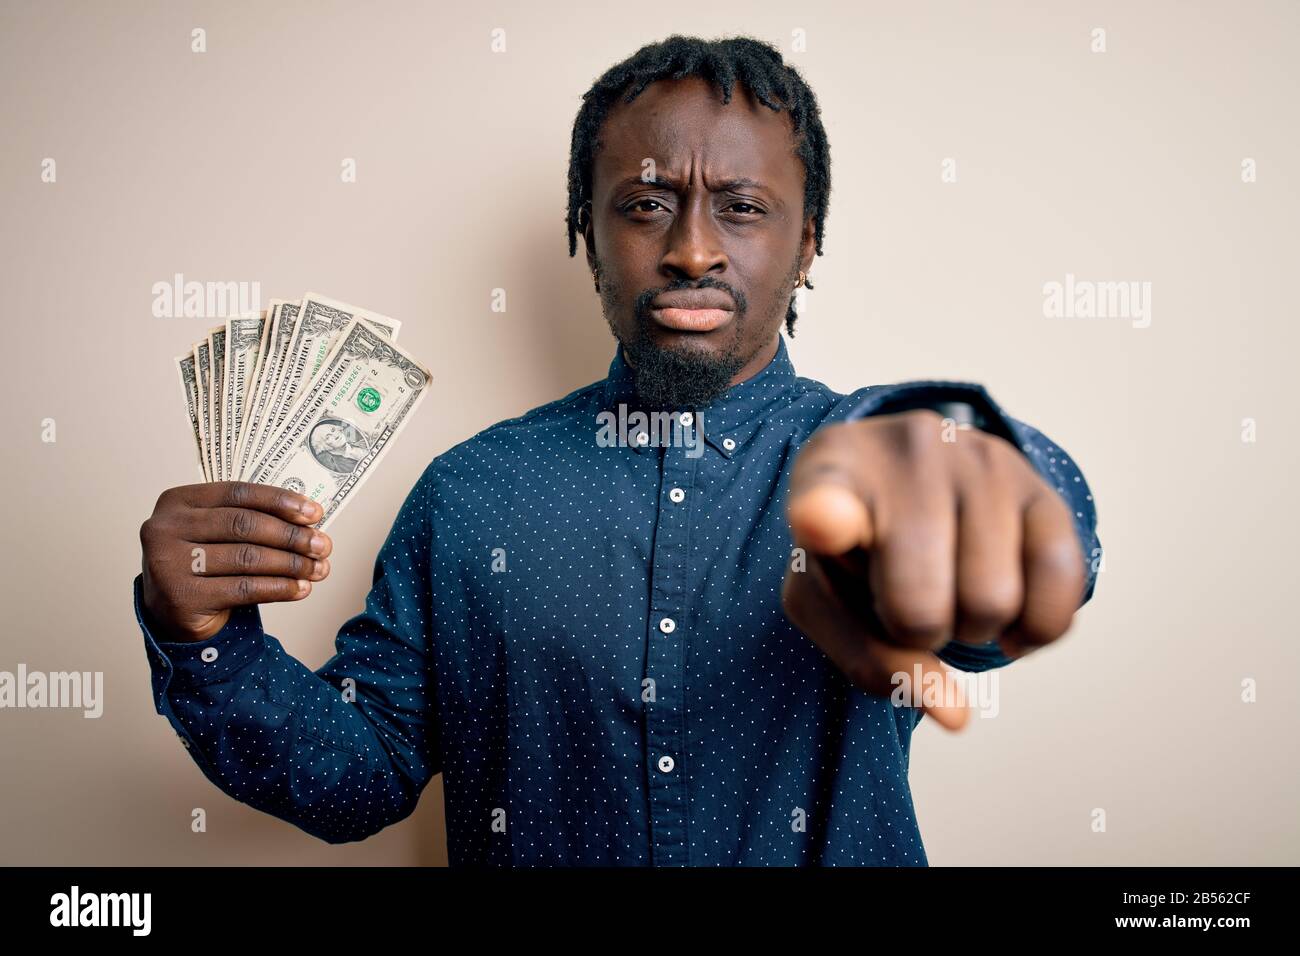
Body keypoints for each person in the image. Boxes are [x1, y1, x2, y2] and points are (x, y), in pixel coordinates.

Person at [134, 35, 1098, 865]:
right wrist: (203, 641)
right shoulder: (470, 494)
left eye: (743, 207)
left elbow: (1027, 565)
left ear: (809, 244)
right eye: (644, 206)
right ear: (585, 236)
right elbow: (358, 779)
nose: (691, 250)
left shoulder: (877, 459)